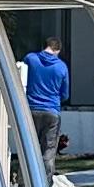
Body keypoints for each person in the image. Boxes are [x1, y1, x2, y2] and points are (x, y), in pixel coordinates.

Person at [22, 28, 71, 177]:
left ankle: (23, 184)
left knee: (29, 148)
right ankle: (46, 184)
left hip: (31, 110)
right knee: (48, 151)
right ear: (58, 50)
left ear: (44, 46)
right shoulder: (62, 67)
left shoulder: (31, 59)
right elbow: (65, 95)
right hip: (51, 111)